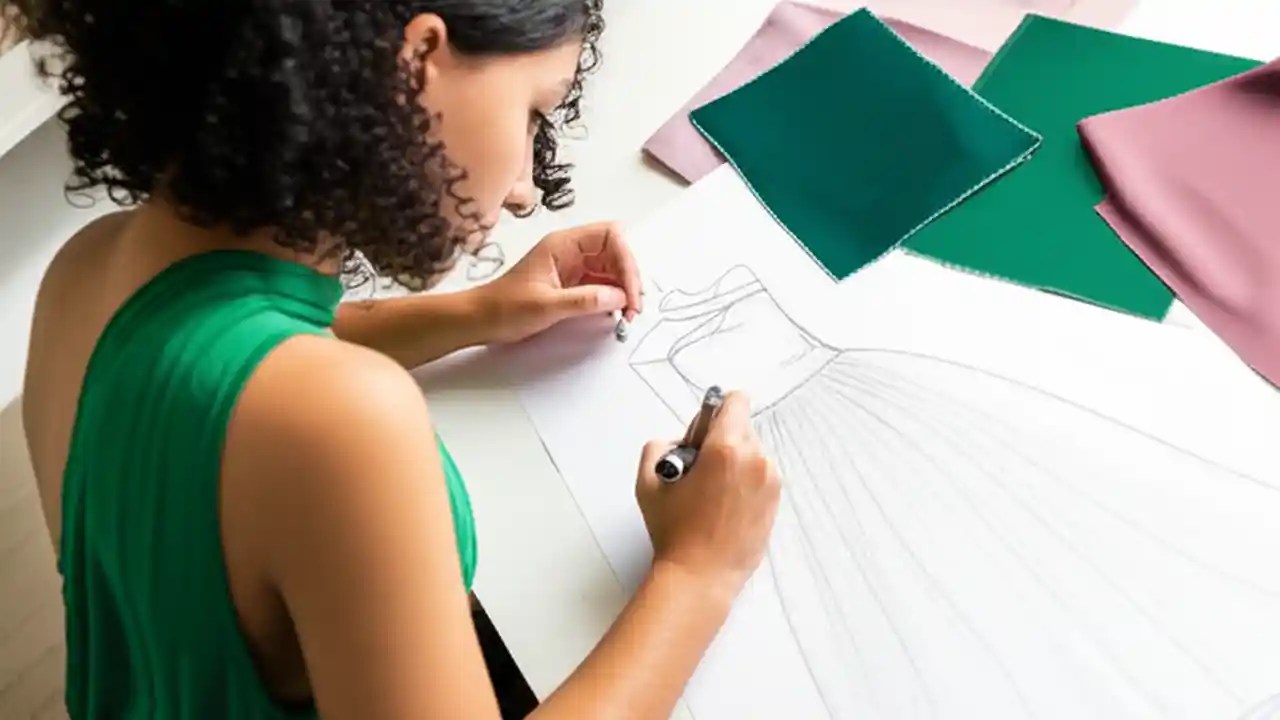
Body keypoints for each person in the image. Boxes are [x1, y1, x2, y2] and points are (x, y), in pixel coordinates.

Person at [9, 1, 781, 718]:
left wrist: (476, 313)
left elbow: (234, 364)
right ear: (416, 66)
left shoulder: (87, 271)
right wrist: (699, 573)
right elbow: (293, 407)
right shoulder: (341, 424)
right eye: (533, 113)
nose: (522, 190)